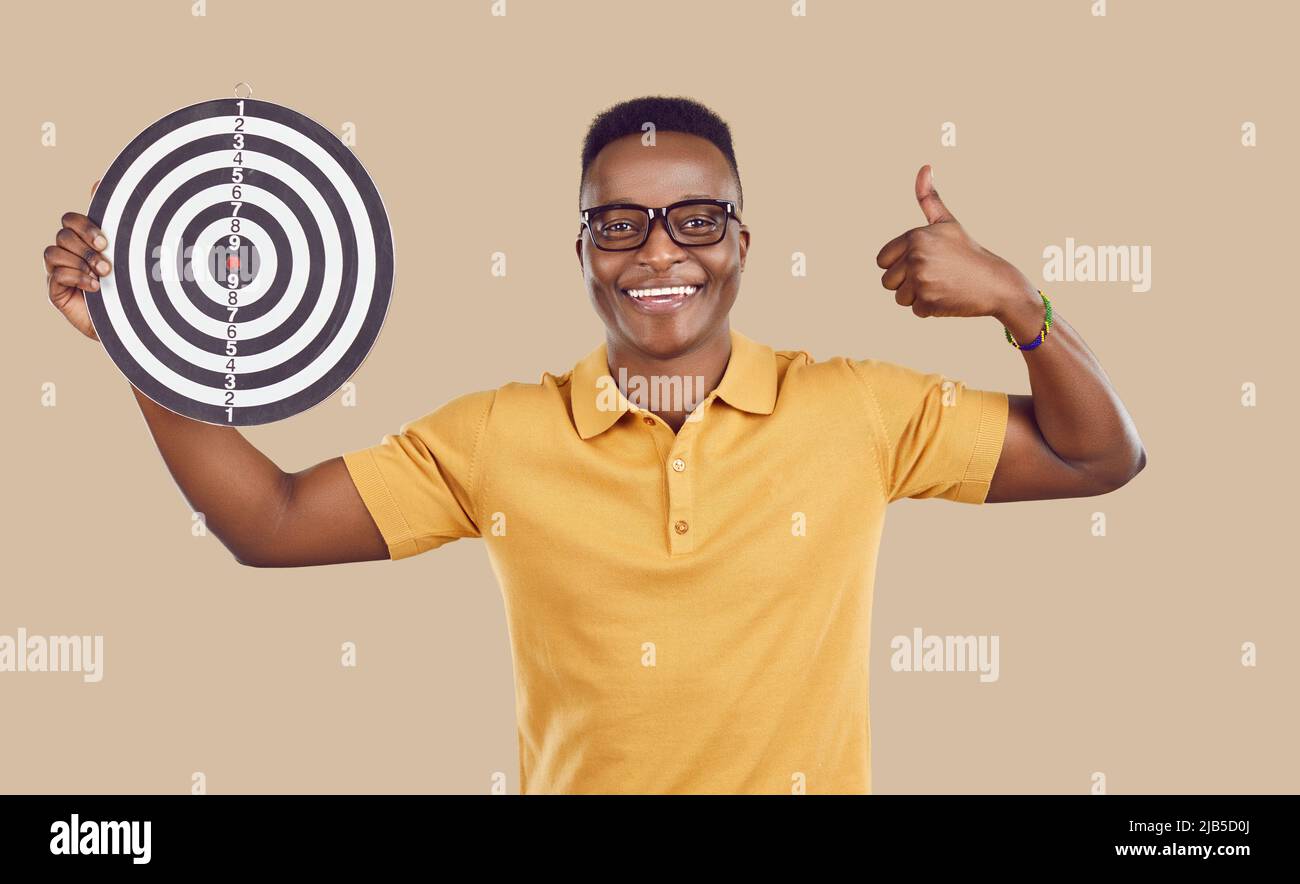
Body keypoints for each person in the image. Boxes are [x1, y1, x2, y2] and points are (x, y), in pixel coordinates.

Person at [42, 95, 1146, 794]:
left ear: (742, 241)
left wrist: (1013, 299)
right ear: (581, 248)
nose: (657, 249)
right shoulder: (496, 436)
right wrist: (137, 340)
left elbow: (1102, 454)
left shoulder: (853, 409)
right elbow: (269, 524)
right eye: (617, 222)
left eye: (694, 217)